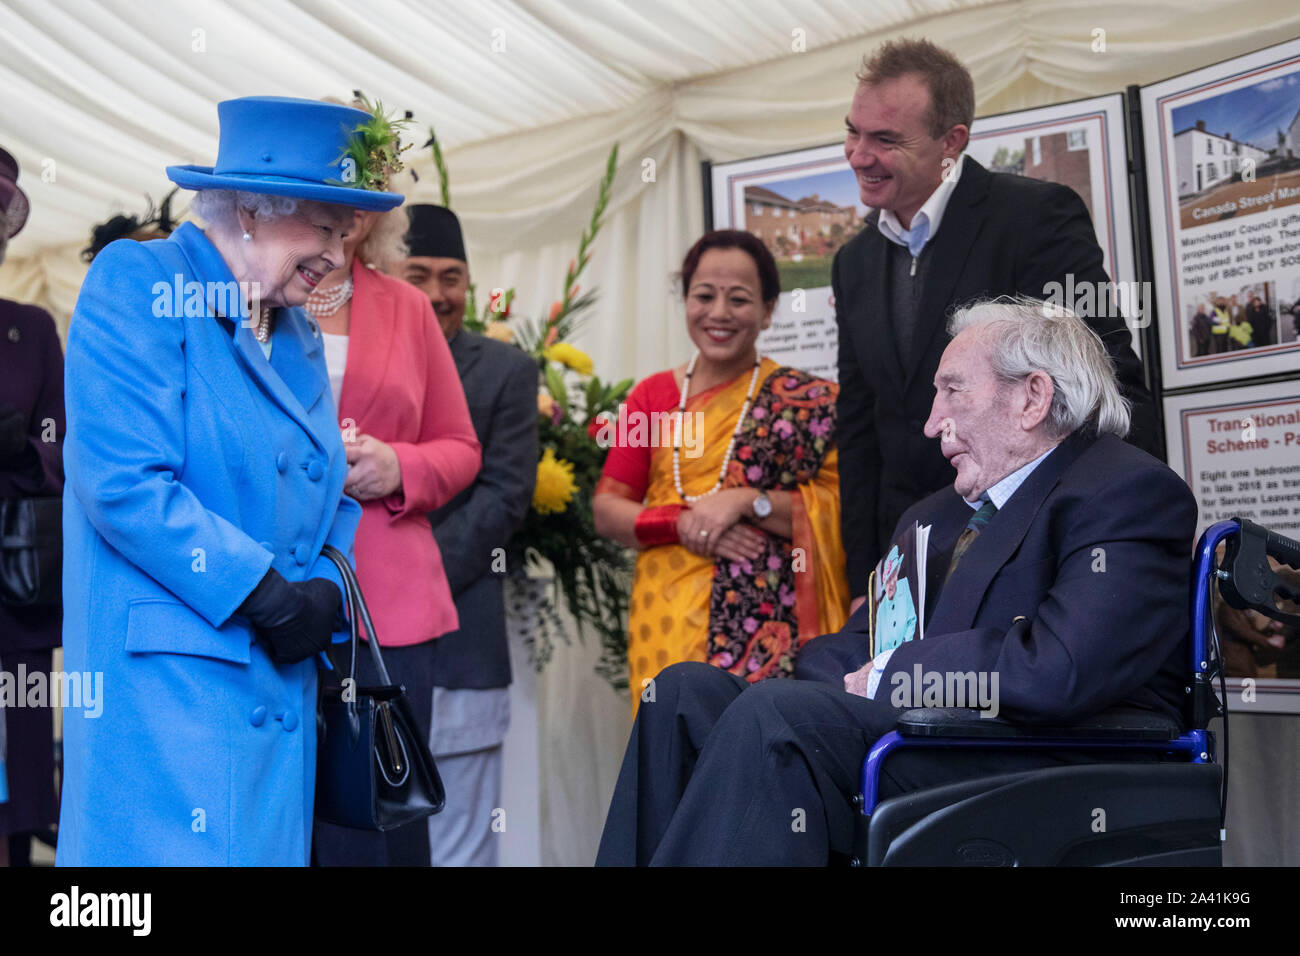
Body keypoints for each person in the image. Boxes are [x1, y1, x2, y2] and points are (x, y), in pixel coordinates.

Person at [596, 296, 1196, 866]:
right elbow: (855, 646)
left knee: (779, 716)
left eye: (952, 392)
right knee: (680, 695)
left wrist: (892, 675)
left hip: (1032, 756)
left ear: (1032, 398)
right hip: (922, 739)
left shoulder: (1123, 492)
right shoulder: (932, 516)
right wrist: (865, 677)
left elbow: (1059, 667)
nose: (933, 423)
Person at [56, 96, 401, 866]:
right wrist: (267, 594)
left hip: (276, 698)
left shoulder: (299, 332)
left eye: (344, 235)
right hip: (165, 705)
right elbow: (123, 482)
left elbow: (330, 490)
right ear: (249, 210)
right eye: (324, 228)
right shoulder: (139, 281)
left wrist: (323, 591)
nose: (337, 258)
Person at [834, 38, 1159, 609]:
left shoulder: (1035, 218)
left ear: (951, 142)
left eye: (885, 140)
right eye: (853, 132)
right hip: (909, 569)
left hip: (1026, 557)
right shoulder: (852, 263)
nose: (859, 155)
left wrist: (1102, 550)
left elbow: (1108, 389)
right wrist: (864, 576)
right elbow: (860, 427)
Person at [593, 229, 849, 703]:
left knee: (758, 756)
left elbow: (841, 506)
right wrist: (684, 522)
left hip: (771, 627)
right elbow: (608, 508)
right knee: (671, 751)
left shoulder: (808, 401)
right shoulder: (651, 398)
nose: (719, 313)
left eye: (739, 299)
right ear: (686, 300)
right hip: (665, 614)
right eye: (704, 296)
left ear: (769, 310)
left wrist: (747, 502)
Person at [307, 187, 482, 869]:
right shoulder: (244, 301)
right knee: (274, 813)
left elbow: (462, 447)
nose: (341, 211)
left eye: (359, 195)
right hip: (262, 591)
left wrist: (399, 466)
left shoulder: (407, 307)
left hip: (389, 606)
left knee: (380, 826)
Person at [398, 204, 538, 867]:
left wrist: (408, 576)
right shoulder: (349, 361)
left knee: (462, 846)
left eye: (452, 277)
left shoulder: (507, 371)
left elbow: (506, 496)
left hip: (462, 636)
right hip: (363, 645)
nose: (437, 294)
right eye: (418, 273)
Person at [0, 148, 64, 867]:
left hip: (13, 594)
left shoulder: (32, 331)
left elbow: (72, 457)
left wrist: (24, 452)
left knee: (16, 794)